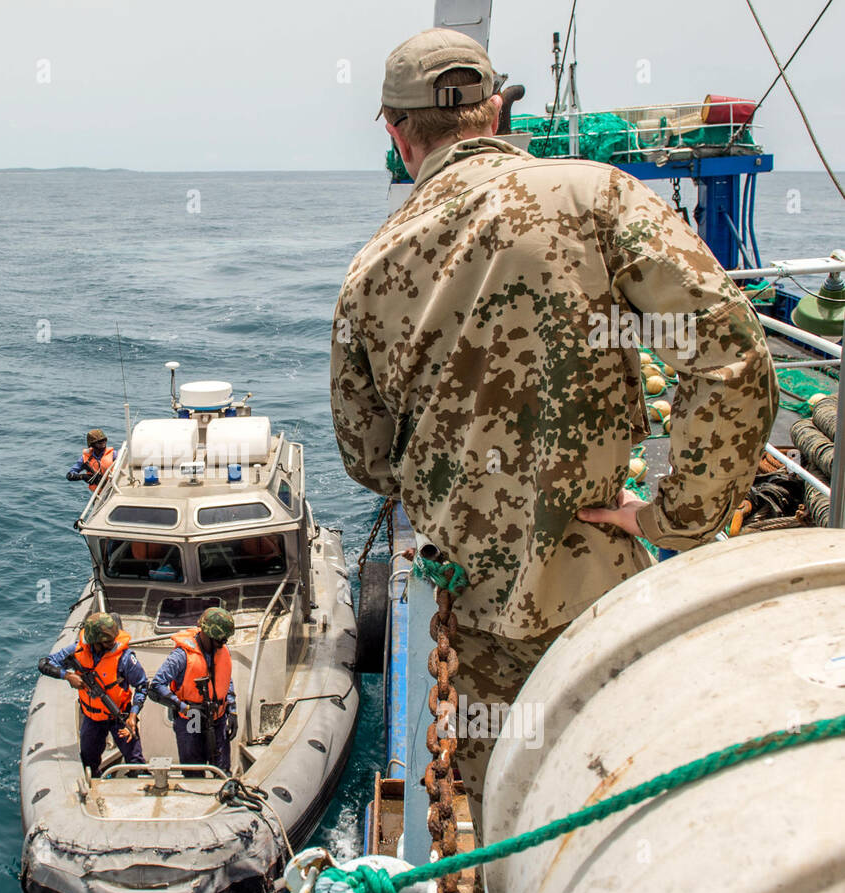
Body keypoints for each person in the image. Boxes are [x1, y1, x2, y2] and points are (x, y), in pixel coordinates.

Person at [329, 28, 777, 837]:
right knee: (628, 804)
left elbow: (368, 460)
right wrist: (675, 516)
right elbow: (730, 357)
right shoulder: (597, 196)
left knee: (508, 822)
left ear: (396, 133)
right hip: (601, 597)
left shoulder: (369, 272)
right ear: (496, 109)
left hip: (473, 622)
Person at [38, 612, 147, 777]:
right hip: (92, 719)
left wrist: (133, 716)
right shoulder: (76, 651)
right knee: (88, 761)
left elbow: (142, 685)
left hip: (120, 717)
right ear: (95, 642)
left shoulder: (125, 659)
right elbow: (44, 663)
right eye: (107, 641)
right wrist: (67, 676)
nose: (113, 643)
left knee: (136, 761)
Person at [148, 607, 238, 771]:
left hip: (217, 717)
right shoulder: (181, 656)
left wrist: (232, 711)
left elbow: (226, 679)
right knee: (193, 768)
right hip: (193, 719)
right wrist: (184, 707)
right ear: (206, 634)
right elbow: (156, 687)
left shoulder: (221, 650)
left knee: (222, 768)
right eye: (219, 640)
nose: (222, 644)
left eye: (224, 640)